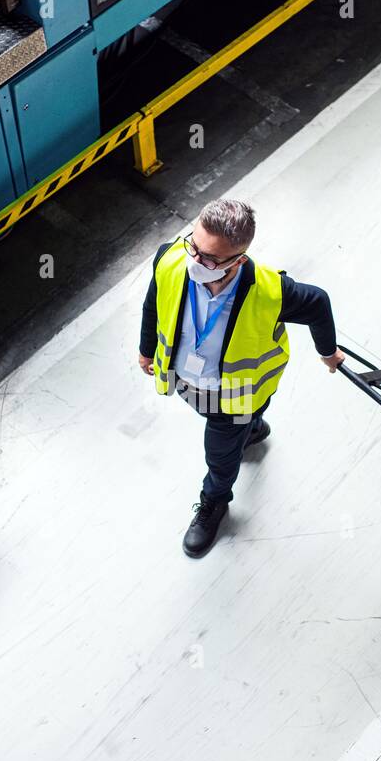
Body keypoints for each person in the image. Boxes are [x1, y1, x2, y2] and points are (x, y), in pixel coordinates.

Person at [138, 199, 345, 557]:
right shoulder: (171, 260)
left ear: (238, 261)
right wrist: (145, 349)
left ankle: (214, 501)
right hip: (189, 383)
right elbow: (152, 304)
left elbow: (318, 303)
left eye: (209, 259)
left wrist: (328, 352)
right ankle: (252, 429)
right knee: (229, 426)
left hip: (235, 397)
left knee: (219, 456)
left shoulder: (270, 292)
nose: (195, 262)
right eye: (194, 246)